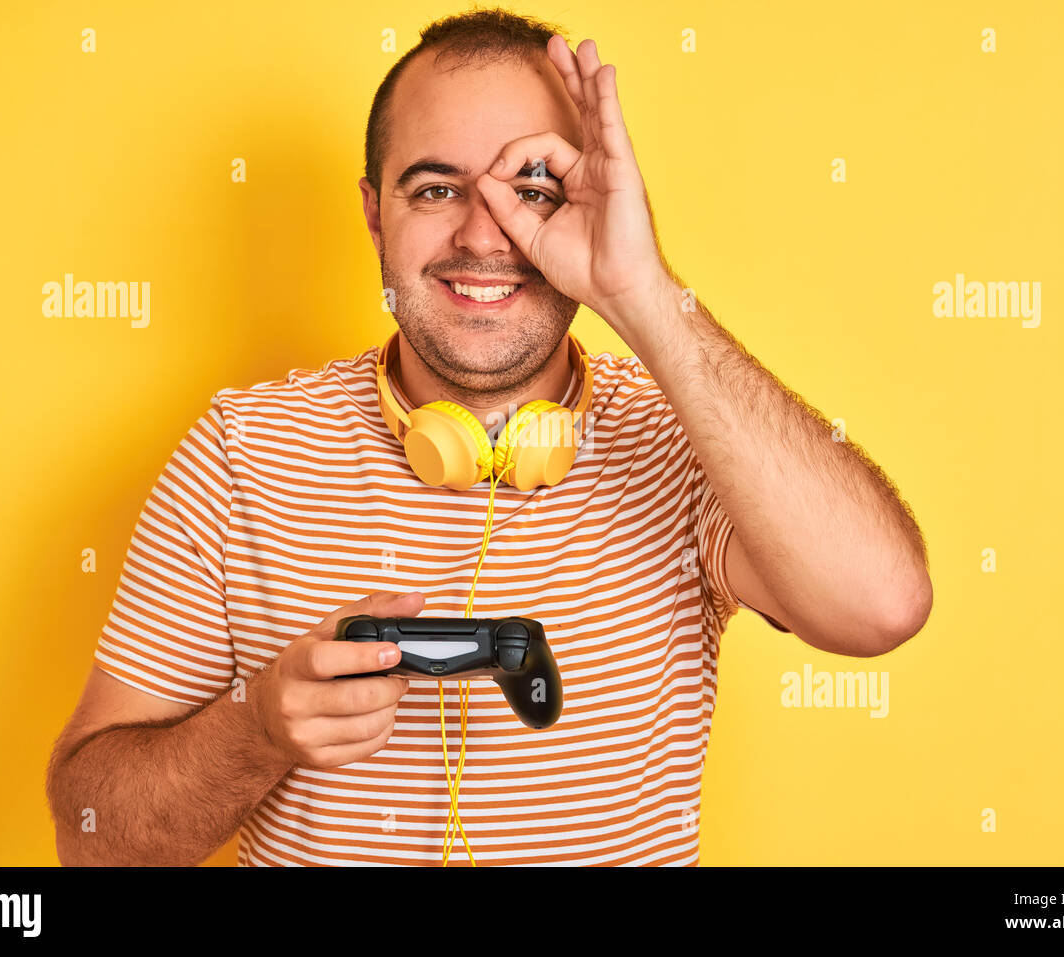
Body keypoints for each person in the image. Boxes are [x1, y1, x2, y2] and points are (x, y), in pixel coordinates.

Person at [46, 7, 932, 867]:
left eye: (530, 191)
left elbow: (882, 607)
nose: (482, 235)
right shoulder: (241, 449)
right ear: (371, 211)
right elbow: (94, 844)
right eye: (436, 189)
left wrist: (644, 292)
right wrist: (258, 729)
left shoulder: (688, 440)